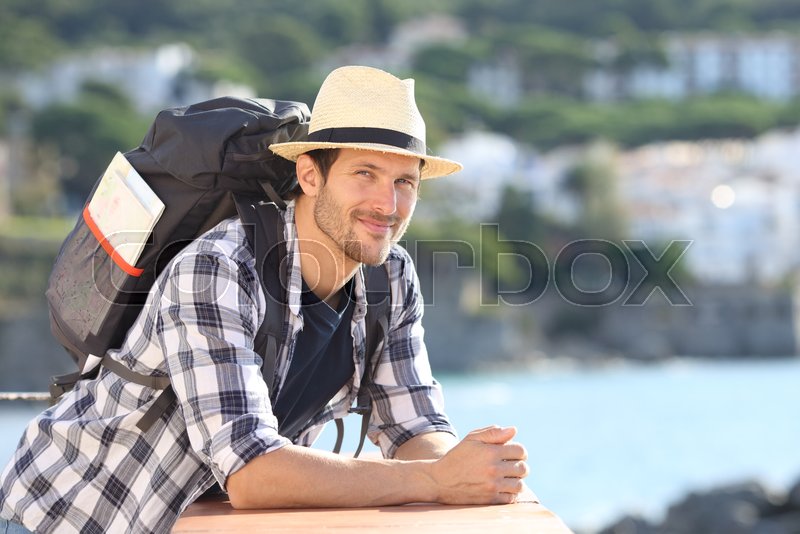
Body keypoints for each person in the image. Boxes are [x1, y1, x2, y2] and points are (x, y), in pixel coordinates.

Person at [0, 65, 529, 533]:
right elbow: (252, 472)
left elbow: (415, 425)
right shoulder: (221, 267)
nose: (387, 203)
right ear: (309, 175)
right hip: (67, 515)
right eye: (364, 174)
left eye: (405, 182)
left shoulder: (390, 274)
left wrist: (467, 472)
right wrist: (435, 480)